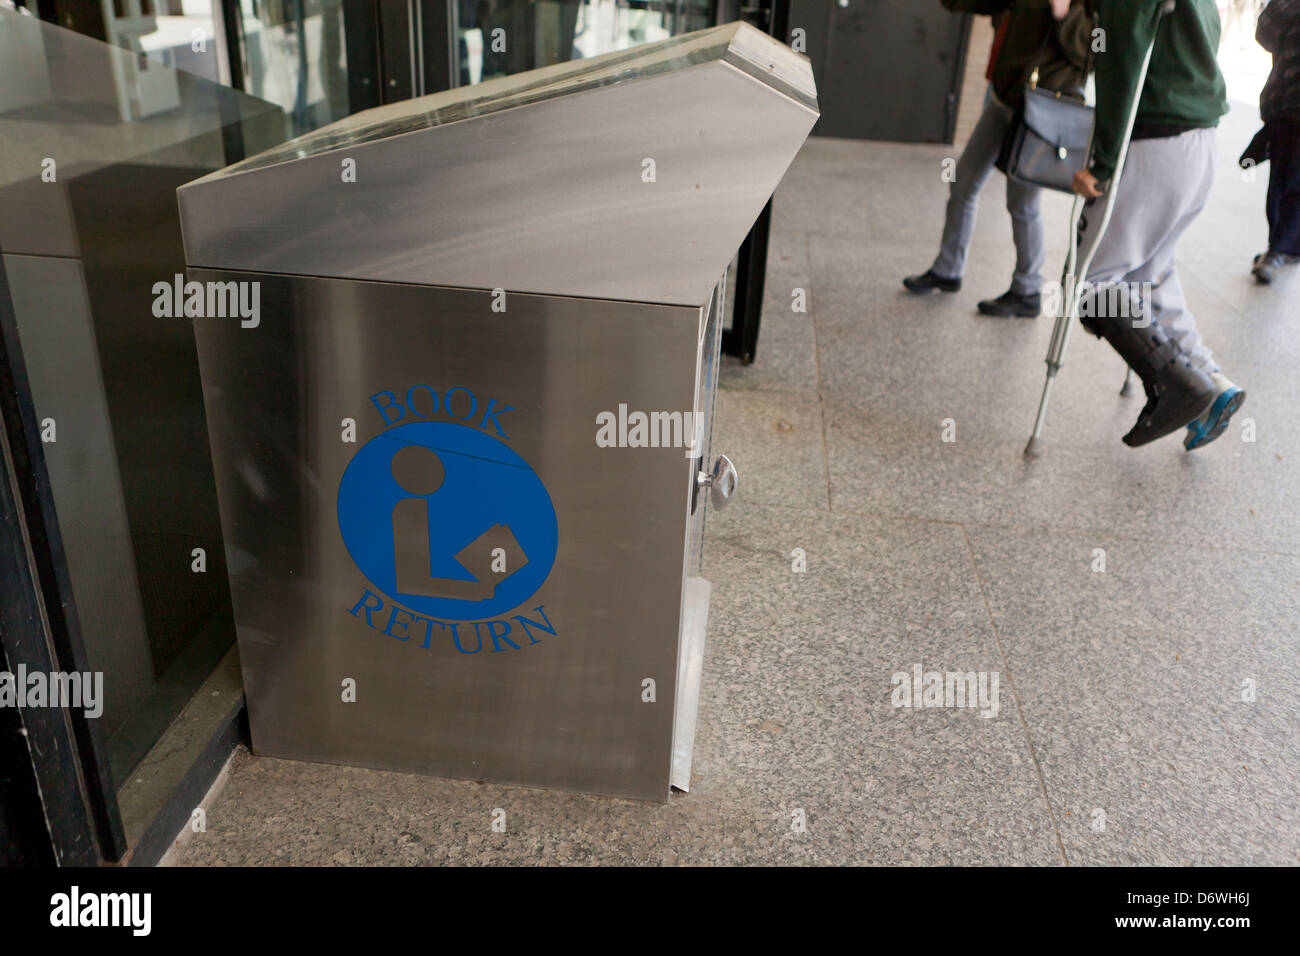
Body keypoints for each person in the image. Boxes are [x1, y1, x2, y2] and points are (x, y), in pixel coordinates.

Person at [1071, 0, 1244, 450]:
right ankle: (1211, 384)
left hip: (1156, 143)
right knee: (1151, 274)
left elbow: (1121, 58)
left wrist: (1104, 163)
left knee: (1093, 280)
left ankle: (1175, 385)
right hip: (1198, 142)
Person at [904, 0, 1093, 318]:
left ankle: (1028, 289)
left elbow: (1093, 54)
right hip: (1004, 99)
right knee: (963, 182)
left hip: (1040, 111)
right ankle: (948, 269)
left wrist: (1064, 12)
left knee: (1022, 203)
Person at [1251, 0, 1300, 284]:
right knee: (1281, 182)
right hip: (1285, 104)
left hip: (1286, 103)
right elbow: (1264, 33)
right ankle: (1282, 247)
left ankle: (1280, 249)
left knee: (1291, 182)